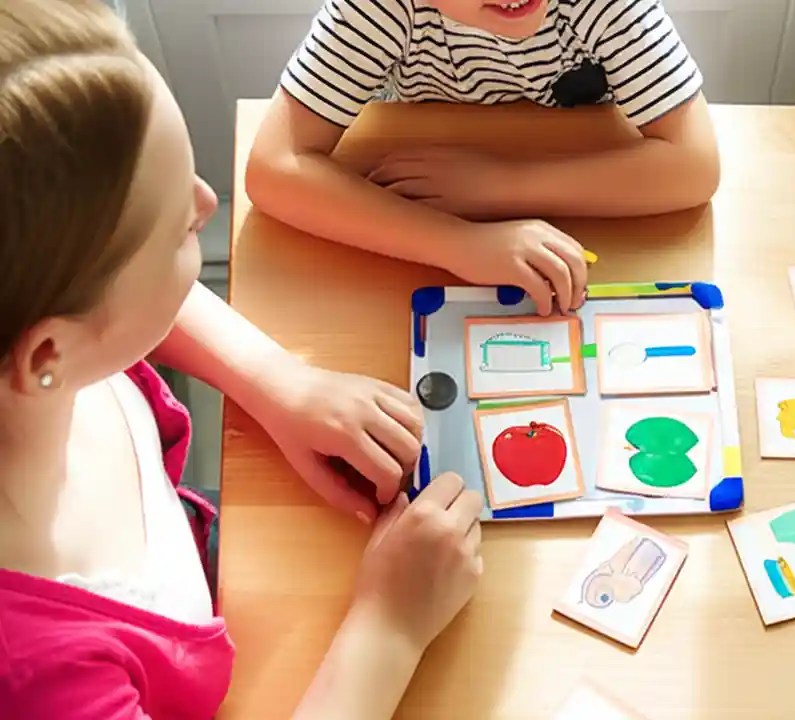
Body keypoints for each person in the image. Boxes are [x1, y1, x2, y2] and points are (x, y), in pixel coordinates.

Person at [0, 2, 482, 716]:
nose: (205, 201)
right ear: (48, 353)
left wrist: (279, 381)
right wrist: (390, 628)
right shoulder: (44, 684)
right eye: (176, 229)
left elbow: (123, 305)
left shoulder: (34, 336)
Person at [245, 0, 721, 317]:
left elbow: (694, 165)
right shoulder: (381, 9)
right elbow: (274, 168)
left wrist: (501, 187)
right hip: (424, 231)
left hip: (592, 217)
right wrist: (458, 244)